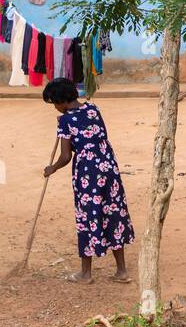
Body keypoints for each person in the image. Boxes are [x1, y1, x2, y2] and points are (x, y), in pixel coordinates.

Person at [41, 78, 134, 283]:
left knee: (88, 217)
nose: (55, 108)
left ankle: (86, 274)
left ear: (61, 101)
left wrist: (52, 168)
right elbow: (91, 132)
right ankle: (121, 271)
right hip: (109, 168)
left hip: (88, 174)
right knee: (113, 213)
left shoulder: (66, 121)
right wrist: (66, 120)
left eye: (54, 104)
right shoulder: (93, 109)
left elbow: (66, 157)